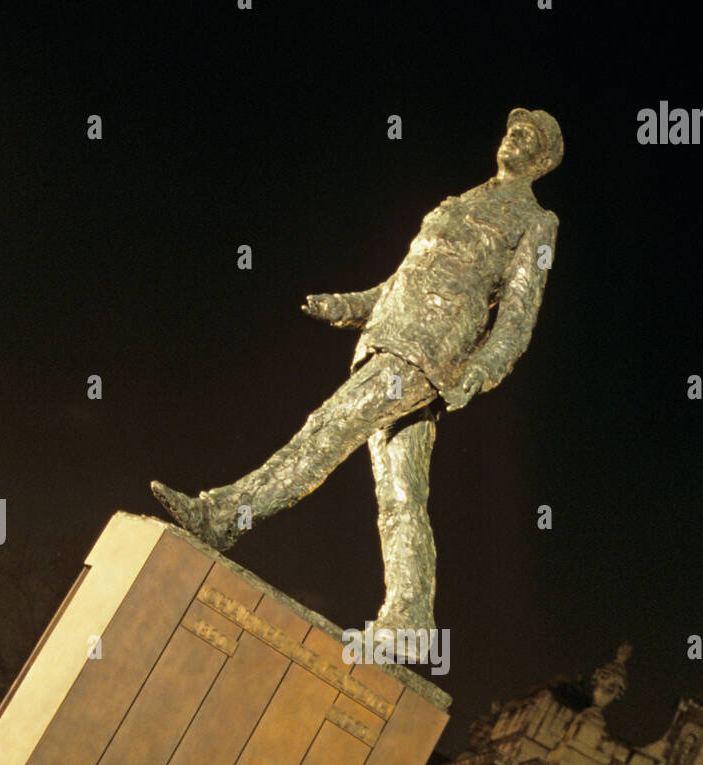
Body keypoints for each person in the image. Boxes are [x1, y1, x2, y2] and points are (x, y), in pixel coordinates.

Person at [152, 109, 562, 632]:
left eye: (529, 136)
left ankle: (221, 516)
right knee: (401, 494)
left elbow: (518, 319)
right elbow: (399, 280)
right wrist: (341, 306)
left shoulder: (536, 223)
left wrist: (475, 374)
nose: (514, 138)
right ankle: (410, 620)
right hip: (389, 339)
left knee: (326, 429)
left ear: (544, 160)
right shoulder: (459, 203)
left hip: (428, 355)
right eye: (512, 129)